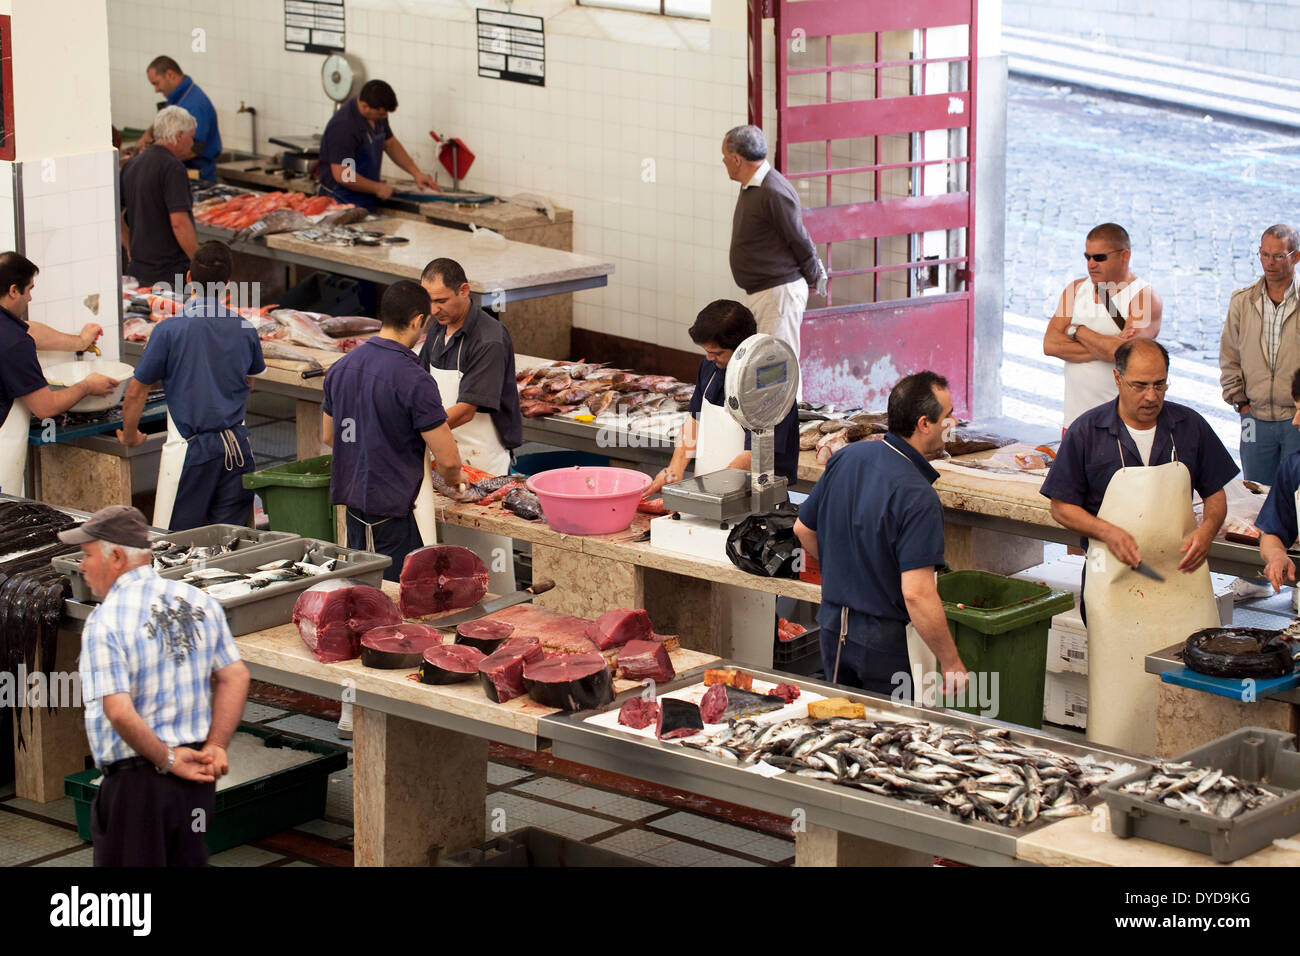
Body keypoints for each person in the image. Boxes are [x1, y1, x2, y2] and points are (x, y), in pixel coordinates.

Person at [64, 505, 249, 867]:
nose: (82, 566)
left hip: (138, 788)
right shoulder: (198, 601)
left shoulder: (106, 621)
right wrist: (216, 746)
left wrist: (165, 759)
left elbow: (118, 711)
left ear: (116, 556)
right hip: (196, 778)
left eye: (86, 555)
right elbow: (235, 675)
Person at [792, 371, 968, 696]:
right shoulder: (918, 495)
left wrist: (846, 573)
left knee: (842, 729)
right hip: (885, 643)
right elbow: (917, 593)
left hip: (832, 626)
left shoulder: (846, 457)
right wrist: (952, 661)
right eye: (948, 415)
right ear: (924, 424)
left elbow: (803, 529)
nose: (954, 421)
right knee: (891, 737)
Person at [117, 242, 265, 531]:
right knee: (232, 547)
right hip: (237, 450)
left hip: (190, 450)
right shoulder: (245, 328)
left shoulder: (168, 330)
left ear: (188, 278)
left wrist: (131, 435)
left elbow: (136, 391)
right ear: (227, 285)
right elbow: (250, 382)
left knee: (175, 545)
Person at [323, 280, 464, 579]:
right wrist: (456, 481)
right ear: (417, 321)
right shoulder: (414, 378)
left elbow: (330, 436)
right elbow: (449, 460)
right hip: (400, 512)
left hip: (354, 510)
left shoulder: (340, 367)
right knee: (405, 599)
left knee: (363, 592)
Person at [643, 300, 799, 499]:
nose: (709, 358)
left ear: (742, 349)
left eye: (716, 353)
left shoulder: (771, 382)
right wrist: (674, 469)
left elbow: (755, 454)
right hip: (711, 492)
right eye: (706, 351)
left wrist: (709, 495)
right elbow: (694, 420)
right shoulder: (711, 367)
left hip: (754, 497)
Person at [0, 253, 117, 495]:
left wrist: (80, 342)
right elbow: (45, 407)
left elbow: (29, 331)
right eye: (29, 289)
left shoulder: (11, 330)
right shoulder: (14, 344)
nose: (30, 297)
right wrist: (87, 386)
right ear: (13, 290)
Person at [1043, 222, 1162, 431]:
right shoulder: (1074, 290)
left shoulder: (1143, 298)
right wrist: (1107, 347)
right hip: (1074, 423)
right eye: (1087, 257)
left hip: (1120, 425)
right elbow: (1050, 345)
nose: (1091, 264)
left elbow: (1124, 353)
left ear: (1124, 256)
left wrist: (1076, 331)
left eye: (1099, 257)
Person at [722, 125, 825, 362]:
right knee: (763, 365)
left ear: (737, 159)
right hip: (764, 293)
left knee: (777, 366)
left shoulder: (773, 191)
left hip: (777, 294)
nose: (723, 162)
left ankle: (791, 402)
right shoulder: (753, 185)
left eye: (725, 158)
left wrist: (813, 278)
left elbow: (800, 239)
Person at [1219, 223, 1300, 484]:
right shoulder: (1242, 301)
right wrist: (1241, 404)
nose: (1269, 262)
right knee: (1255, 491)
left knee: (1295, 495)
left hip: (1296, 420)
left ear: (1296, 257)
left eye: (1278, 256)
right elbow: (1229, 355)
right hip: (1253, 418)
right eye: (1264, 254)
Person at [318, 80, 439, 211]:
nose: (385, 117)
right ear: (365, 106)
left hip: (364, 199)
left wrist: (416, 173)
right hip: (339, 202)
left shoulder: (378, 116)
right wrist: (377, 188)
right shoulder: (344, 127)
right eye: (381, 114)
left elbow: (390, 144)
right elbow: (345, 175)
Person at [121, 105, 200, 289]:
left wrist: (130, 248)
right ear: (179, 135)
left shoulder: (132, 165)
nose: (191, 144)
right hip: (170, 274)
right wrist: (198, 263)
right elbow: (179, 223)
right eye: (191, 137)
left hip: (138, 271)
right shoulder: (173, 168)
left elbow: (115, 215)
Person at [1253, 369, 1300, 592]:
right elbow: (1272, 532)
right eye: (1296, 410)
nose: (1295, 421)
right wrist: (1277, 555)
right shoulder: (1294, 466)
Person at [143, 56, 222, 182]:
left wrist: (156, 162)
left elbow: (195, 148)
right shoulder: (176, 97)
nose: (156, 90)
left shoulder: (195, 104)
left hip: (196, 176)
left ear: (170, 75)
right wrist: (145, 137)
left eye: (156, 83)